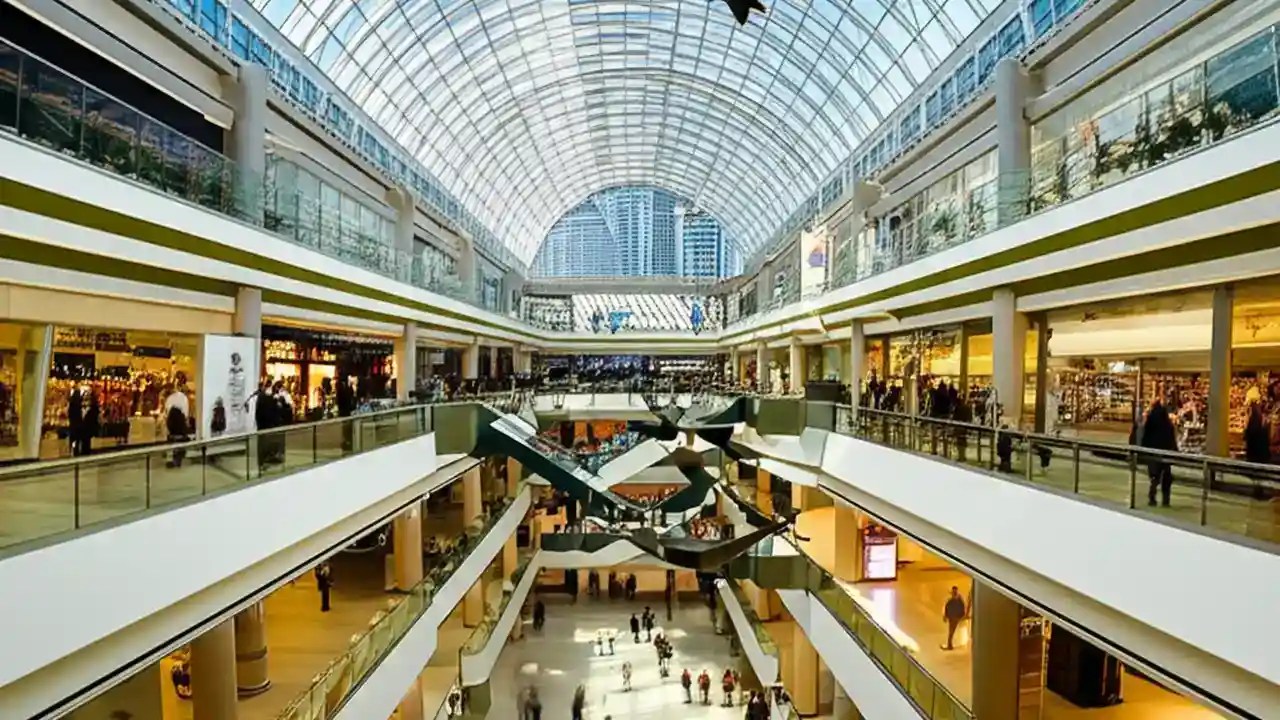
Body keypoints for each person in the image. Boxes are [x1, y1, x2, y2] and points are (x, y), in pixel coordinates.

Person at [1141, 399, 1178, 507]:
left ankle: (1152, 497)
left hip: (1152, 452)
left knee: (1154, 476)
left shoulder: (1150, 421)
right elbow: (1171, 438)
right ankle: (1166, 500)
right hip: (1165, 452)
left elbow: (1146, 436)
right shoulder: (1167, 423)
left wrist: (1143, 450)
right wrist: (1174, 451)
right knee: (1166, 477)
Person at [164, 378, 191, 468]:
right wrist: (186, 421)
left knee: (174, 440)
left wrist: (167, 423)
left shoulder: (170, 398)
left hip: (173, 421)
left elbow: (167, 412)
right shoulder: (183, 397)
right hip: (180, 420)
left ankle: (175, 458)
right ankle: (178, 459)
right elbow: (186, 411)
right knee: (180, 440)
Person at [942, 585, 966, 651]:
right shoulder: (953, 598)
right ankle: (949, 645)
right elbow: (947, 607)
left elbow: (962, 607)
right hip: (952, 617)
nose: (953, 592)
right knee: (951, 631)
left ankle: (949, 645)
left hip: (954, 617)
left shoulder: (956, 598)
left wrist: (962, 616)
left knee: (951, 632)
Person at [67, 386, 84, 456]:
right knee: (78, 437)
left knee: (72, 436)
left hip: (73, 423)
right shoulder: (79, 403)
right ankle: (76, 449)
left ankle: (71, 448)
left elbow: (69, 413)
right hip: (78, 423)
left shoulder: (72, 403)